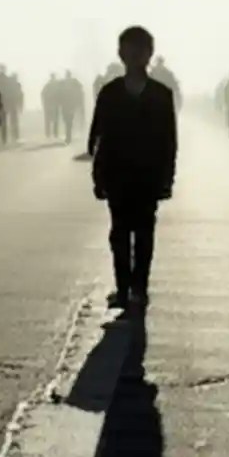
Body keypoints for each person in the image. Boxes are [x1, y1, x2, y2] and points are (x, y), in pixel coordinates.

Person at [88, 26, 177, 310]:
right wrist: (98, 174)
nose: (134, 55)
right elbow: (96, 137)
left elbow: (169, 141)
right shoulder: (110, 93)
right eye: (129, 49)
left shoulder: (161, 95)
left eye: (139, 50)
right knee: (119, 233)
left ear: (149, 54)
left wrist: (167, 177)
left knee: (144, 232)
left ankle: (139, 287)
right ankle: (124, 287)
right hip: (117, 174)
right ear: (121, 54)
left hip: (148, 175)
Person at [60, 70, 85, 144]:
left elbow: (58, 93)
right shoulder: (74, 82)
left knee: (67, 121)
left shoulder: (63, 83)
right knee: (69, 121)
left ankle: (68, 137)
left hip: (66, 105)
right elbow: (80, 88)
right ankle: (69, 136)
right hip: (71, 104)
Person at [41, 73, 61, 139]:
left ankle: (48, 134)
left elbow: (43, 94)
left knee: (48, 121)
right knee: (55, 120)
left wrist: (44, 103)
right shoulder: (57, 85)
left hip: (49, 105)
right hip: (54, 104)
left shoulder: (47, 85)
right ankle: (55, 134)